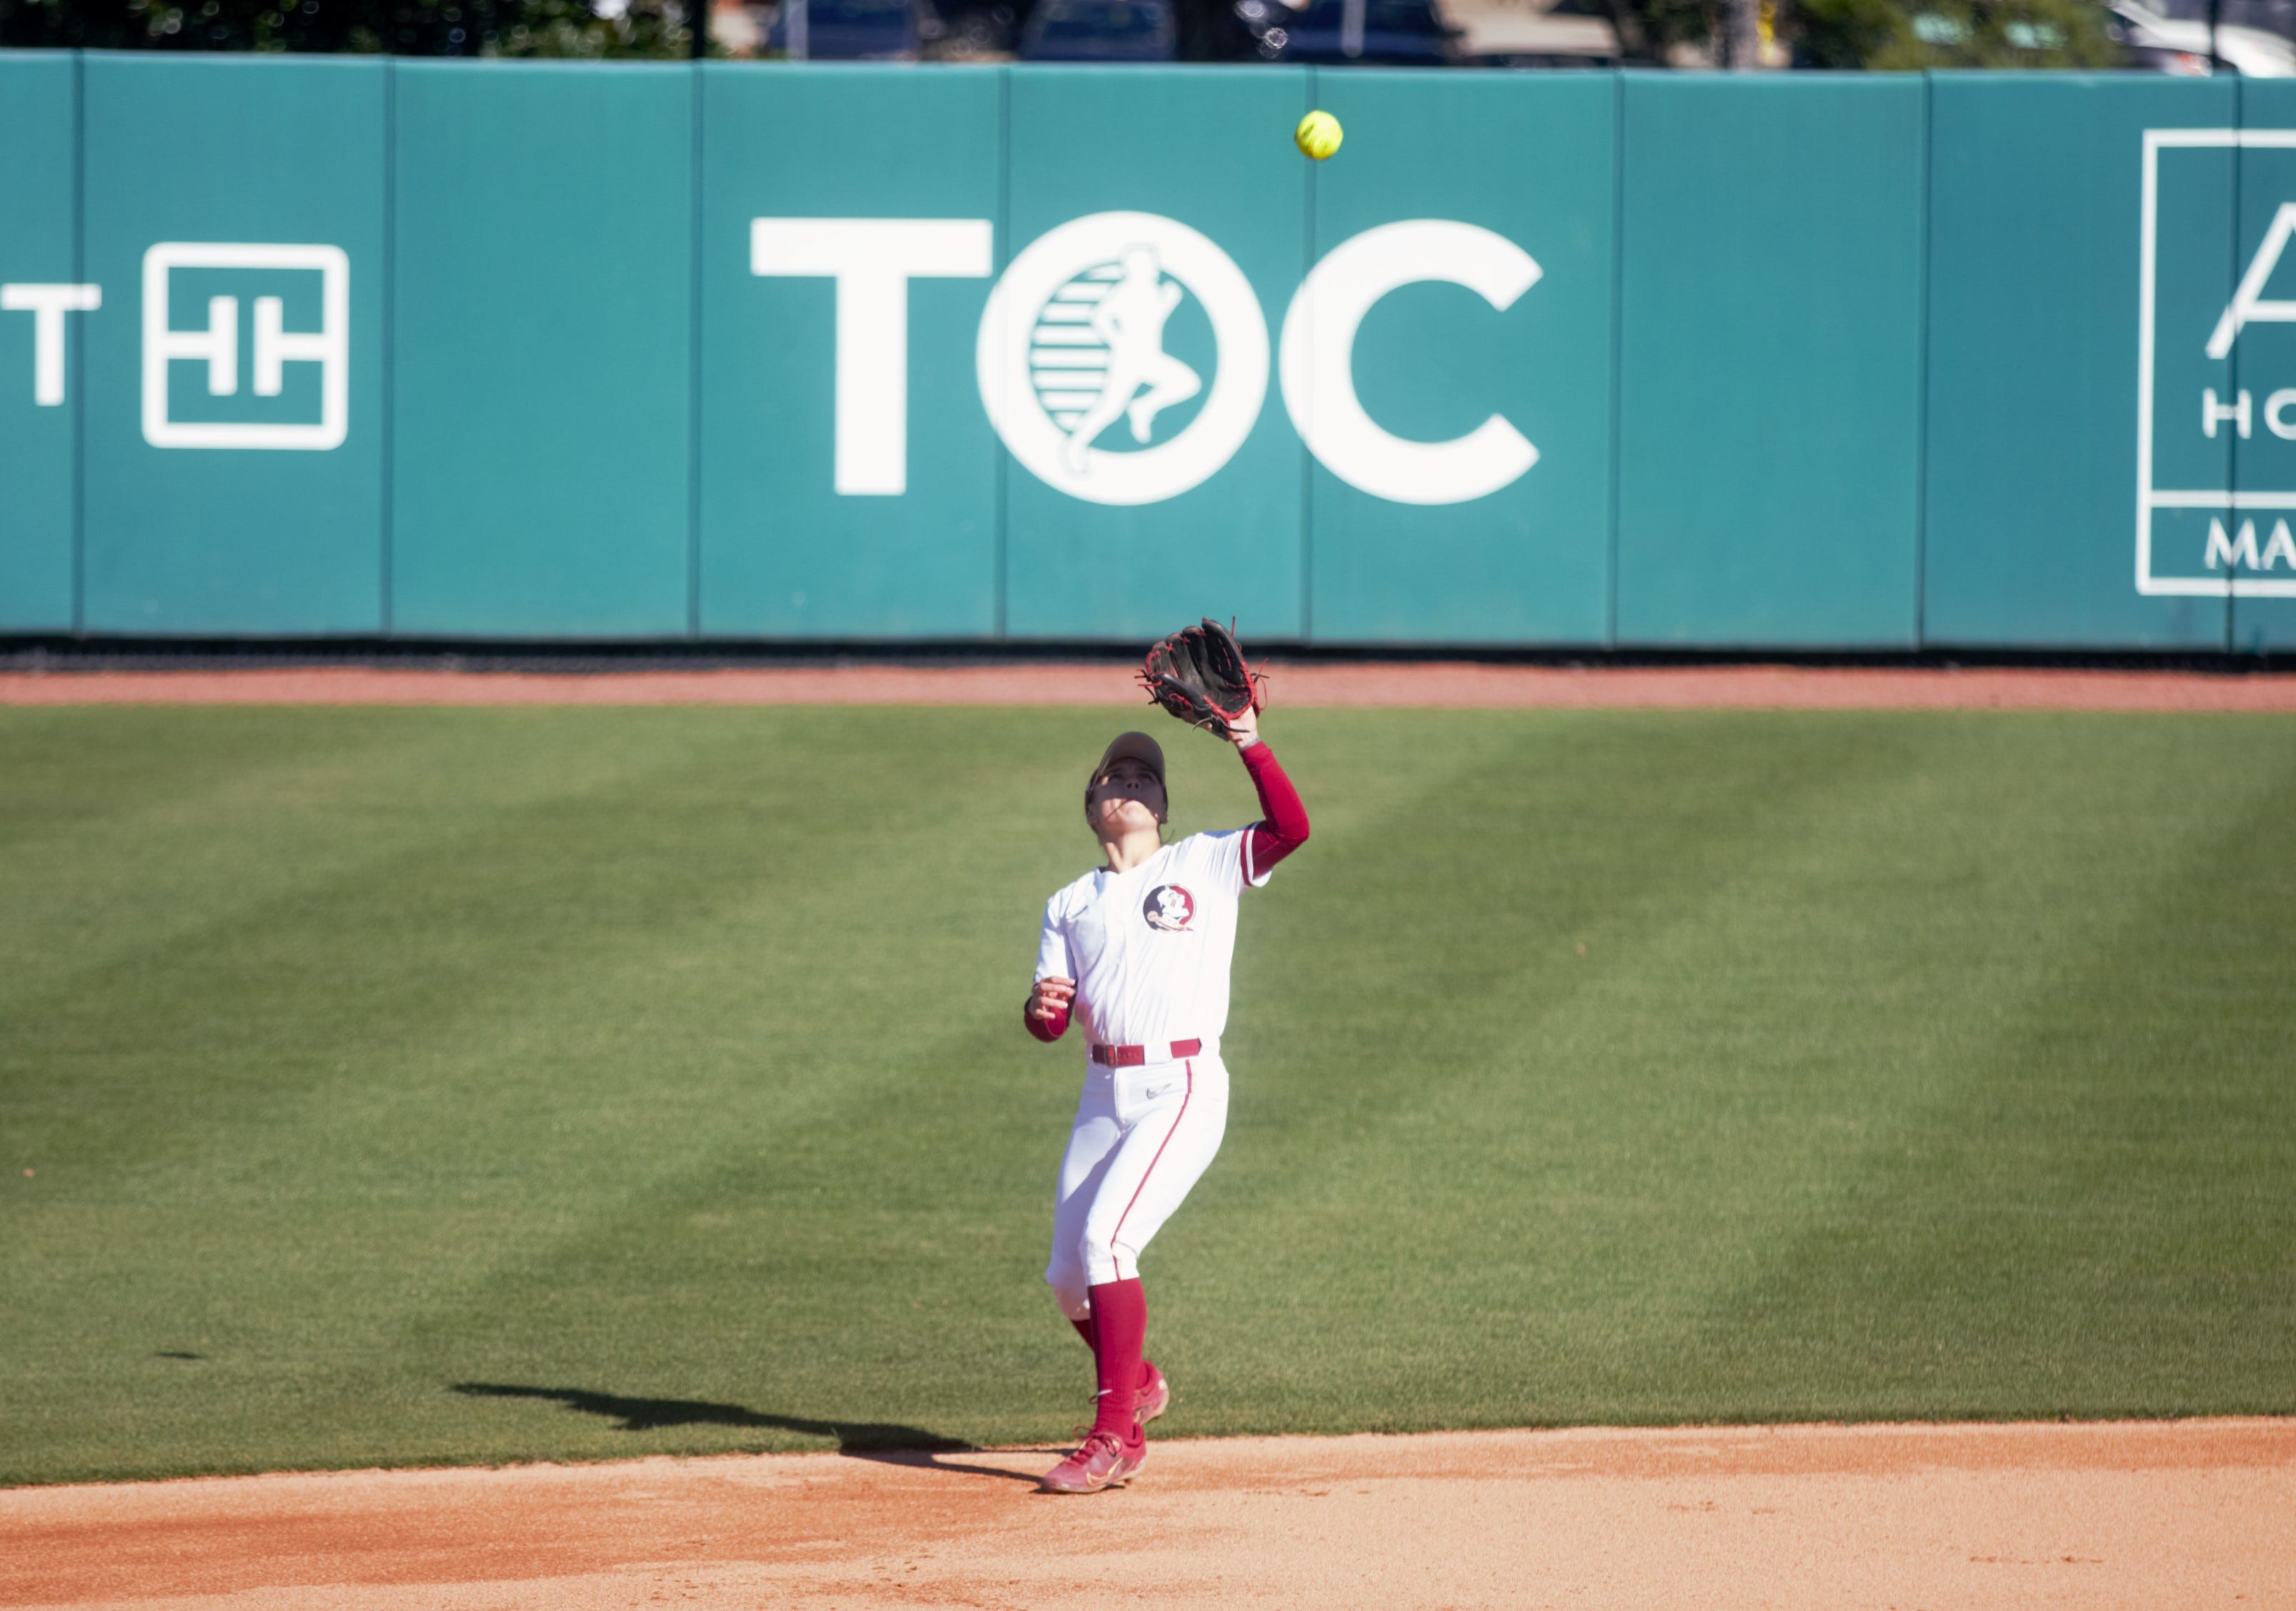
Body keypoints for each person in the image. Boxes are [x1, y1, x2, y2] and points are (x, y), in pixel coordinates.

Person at [1023, 701, 1310, 1493]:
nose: (1131, 781)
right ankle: (1138, 1381)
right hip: (1102, 1091)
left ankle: (1115, 1434)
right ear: (1092, 807)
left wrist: (1248, 741)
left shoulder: (1203, 863)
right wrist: (1041, 1013)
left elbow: (1291, 829)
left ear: (1164, 809)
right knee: (1065, 1278)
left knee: (1109, 1241)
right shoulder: (1067, 904)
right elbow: (1050, 1012)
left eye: (1146, 775)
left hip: (1181, 1086)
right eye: (1116, 774)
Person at [1061, 244, 1203, 474]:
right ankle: (1074, 446)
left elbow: (1154, 320)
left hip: (1149, 358)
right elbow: (1099, 316)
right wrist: (1119, 342)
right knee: (1109, 410)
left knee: (1188, 383)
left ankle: (1144, 406)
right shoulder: (1127, 290)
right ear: (1134, 268)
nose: (1155, 267)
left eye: (1154, 262)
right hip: (1129, 361)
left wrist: (1169, 301)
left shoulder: (1152, 290)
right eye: (1149, 263)